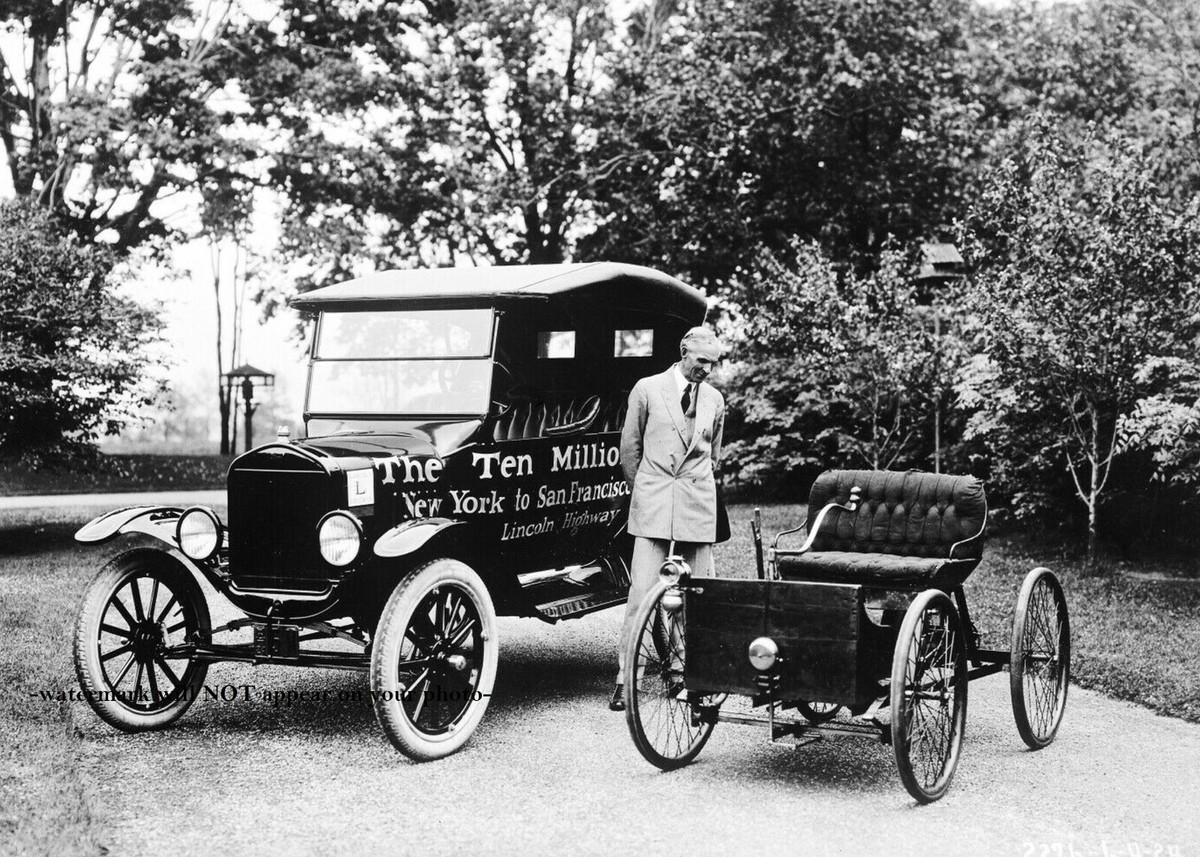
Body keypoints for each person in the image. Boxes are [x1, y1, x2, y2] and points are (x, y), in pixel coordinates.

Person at [610, 326, 725, 711]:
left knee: (698, 595)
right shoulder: (646, 389)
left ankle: (687, 673)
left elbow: (713, 456)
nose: (706, 370)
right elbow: (630, 450)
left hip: (697, 502)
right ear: (683, 352)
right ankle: (627, 679)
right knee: (642, 593)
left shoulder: (714, 400)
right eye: (701, 361)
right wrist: (646, 491)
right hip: (654, 500)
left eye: (713, 363)